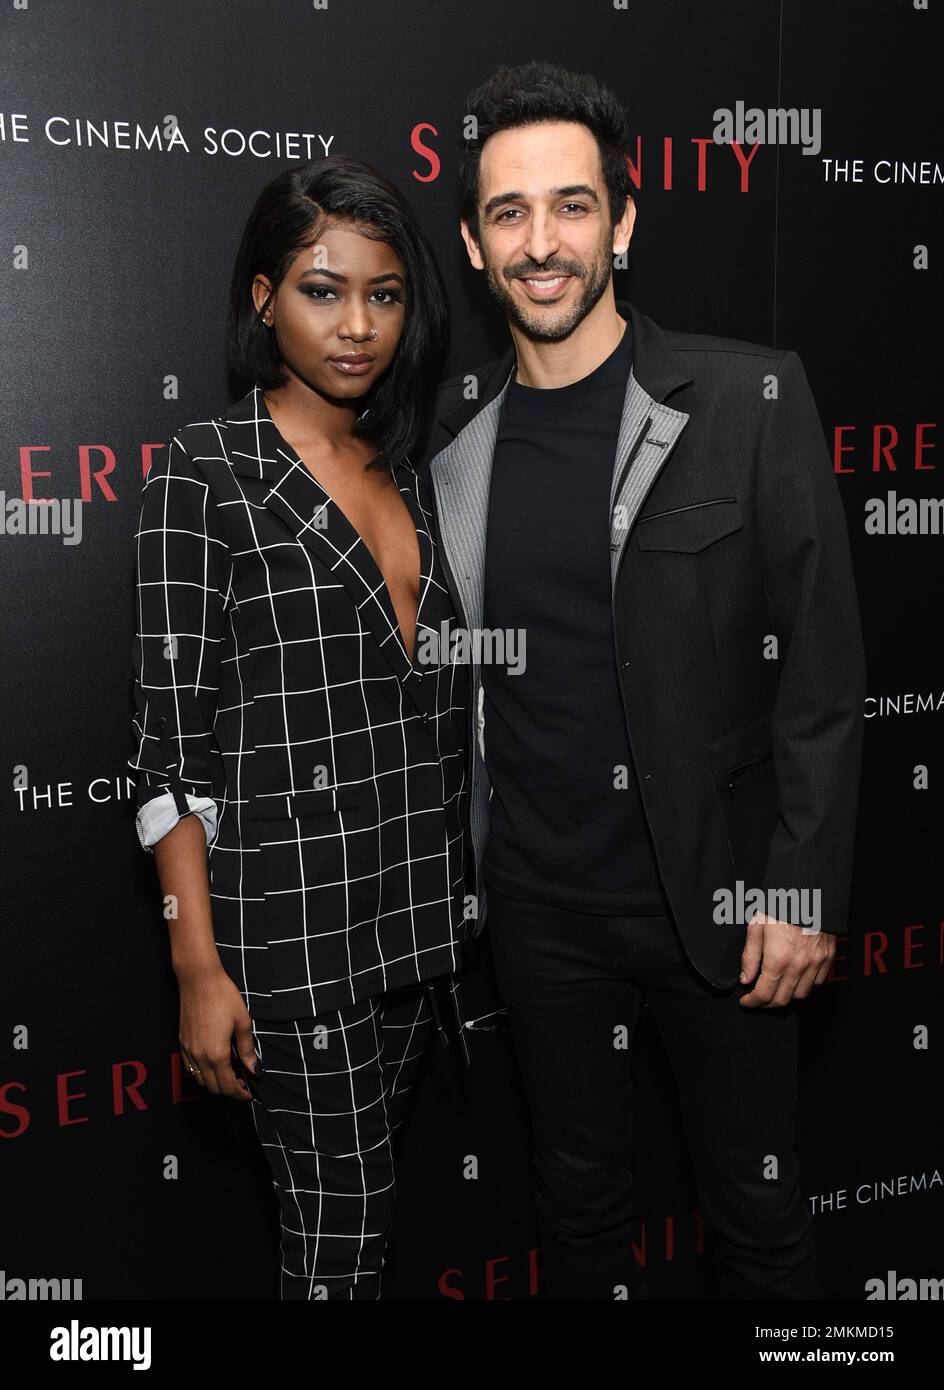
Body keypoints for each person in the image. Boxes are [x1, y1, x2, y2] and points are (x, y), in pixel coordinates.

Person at [417, 61, 867, 1299]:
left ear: (621, 220)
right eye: (508, 214)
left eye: (571, 206)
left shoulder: (743, 396)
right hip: (539, 916)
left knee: (763, 1228)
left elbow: (821, 673)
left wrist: (802, 885)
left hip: (722, 907)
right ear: (472, 242)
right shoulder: (454, 450)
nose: (540, 242)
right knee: (576, 1215)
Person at [128, 155, 472, 1300]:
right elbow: (170, 756)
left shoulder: (409, 469)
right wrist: (195, 967)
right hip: (294, 952)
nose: (357, 324)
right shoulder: (205, 474)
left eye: (383, 292)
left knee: (365, 1237)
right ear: (264, 295)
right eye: (323, 290)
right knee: (338, 1247)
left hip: (420, 941)